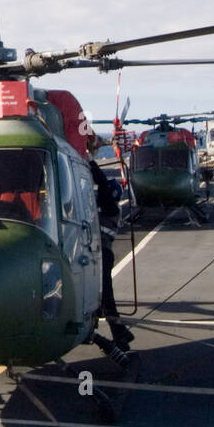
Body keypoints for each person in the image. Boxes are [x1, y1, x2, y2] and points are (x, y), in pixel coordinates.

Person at [86, 137, 133, 351]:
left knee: (105, 295)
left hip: (101, 254)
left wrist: (92, 164)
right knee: (103, 295)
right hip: (99, 253)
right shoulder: (111, 210)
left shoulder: (111, 209)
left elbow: (103, 188)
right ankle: (118, 331)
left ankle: (119, 335)